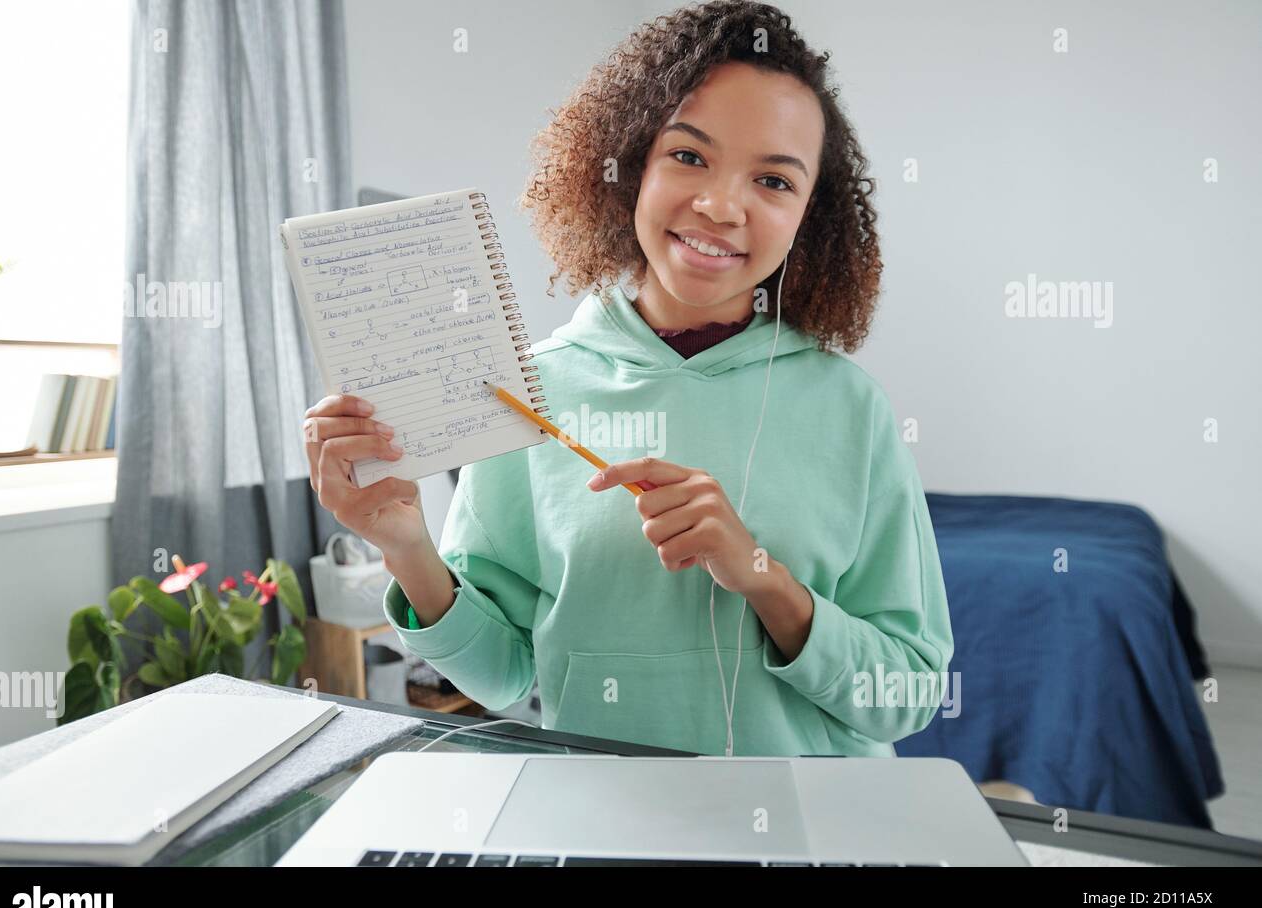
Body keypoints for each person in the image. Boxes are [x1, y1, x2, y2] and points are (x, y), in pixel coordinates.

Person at [303, 0, 954, 756]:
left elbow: (906, 696)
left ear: (811, 215)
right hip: (601, 820)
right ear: (630, 164)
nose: (720, 206)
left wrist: (763, 577)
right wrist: (408, 547)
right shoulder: (528, 393)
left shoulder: (852, 409)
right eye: (688, 156)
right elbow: (504, 676)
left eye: (774, 181)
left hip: (809, 825)